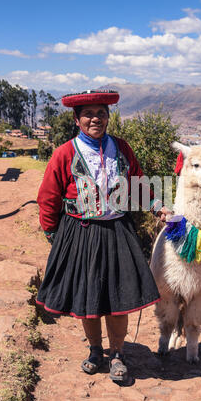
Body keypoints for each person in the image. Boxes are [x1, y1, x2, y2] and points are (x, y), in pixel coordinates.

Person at [36, 90, 172, 382]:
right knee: (89, 299)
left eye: (101, 112)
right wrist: (52, 233)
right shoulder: (65, 153)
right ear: (77, 119)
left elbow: (137, 182)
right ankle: (96, 351)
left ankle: (119, 354)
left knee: (119, 297)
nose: (95, 118)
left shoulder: (121, 148)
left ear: (109, 117)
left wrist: (157, 207)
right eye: (88, 114)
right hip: (81, 233)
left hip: (118, 231)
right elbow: (48, 196)